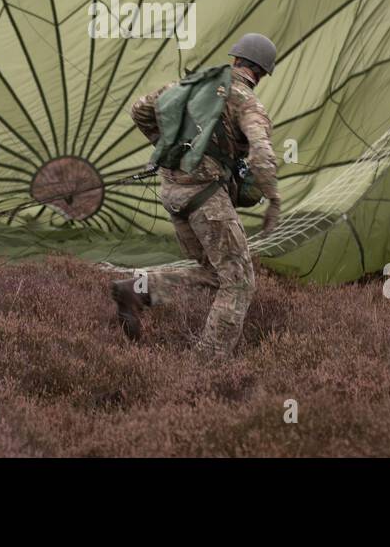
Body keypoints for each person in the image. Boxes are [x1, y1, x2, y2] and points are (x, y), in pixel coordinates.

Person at [112, 33, 281, 359]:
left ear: (235, 59)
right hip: (208, 201)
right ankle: (205, 366)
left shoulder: (190, 87)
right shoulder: (247, 102)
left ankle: (138, 290)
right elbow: (261, 150)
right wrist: (272, 197)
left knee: (215, 274)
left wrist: (172, 150)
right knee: (239, 284)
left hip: (173, 193)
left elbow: (140, 110)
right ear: (260, 73)